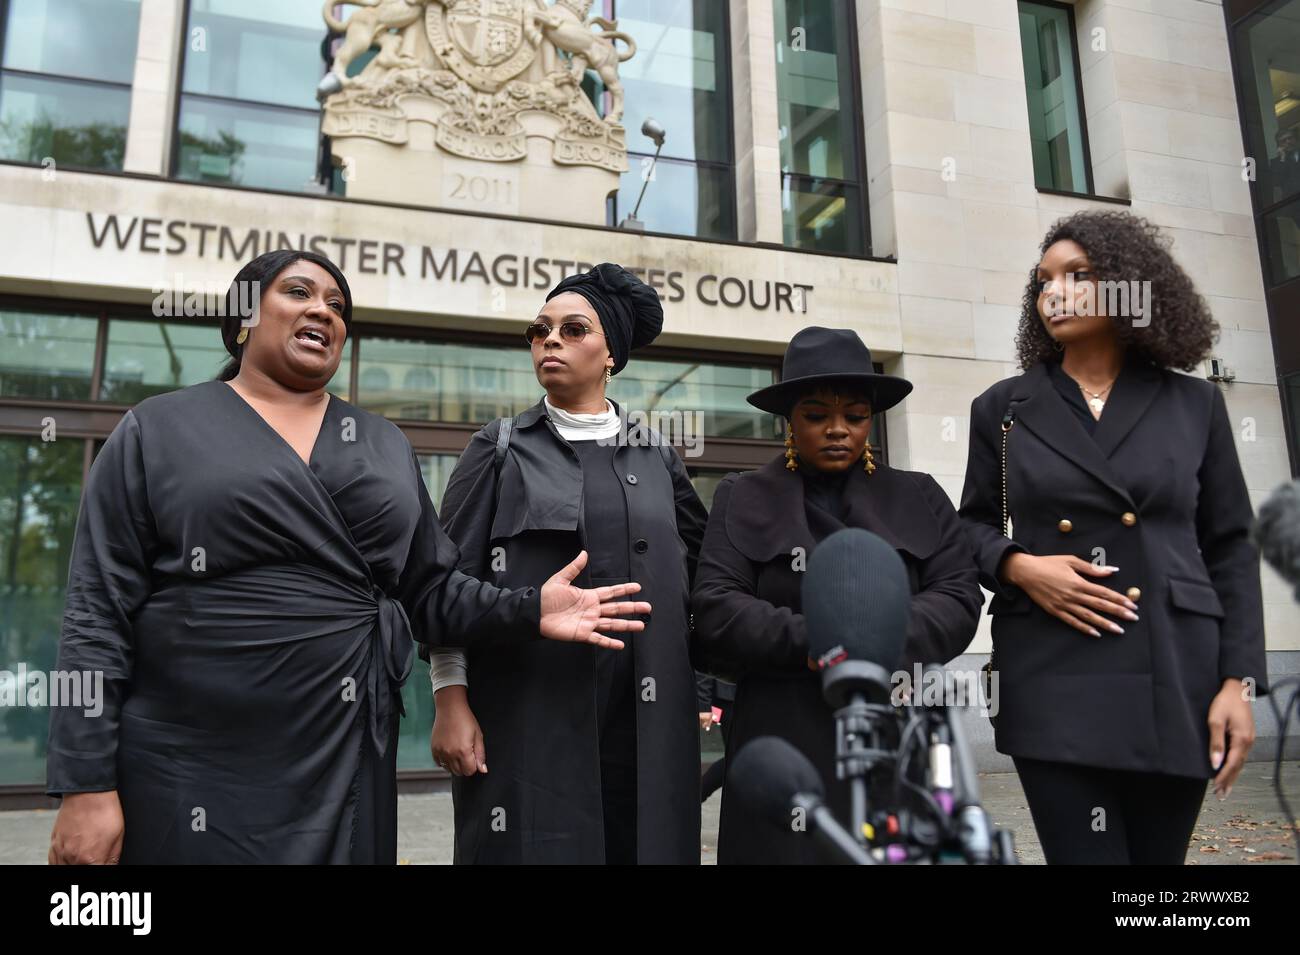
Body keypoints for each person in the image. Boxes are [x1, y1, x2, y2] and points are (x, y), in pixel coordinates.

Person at [45, 250, 650, 865]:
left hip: (344, 748)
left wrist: (529, 609)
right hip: (187, 755)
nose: (322, 310)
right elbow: (96, 611)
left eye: (337, 305)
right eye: (300, 292)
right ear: (243, 317)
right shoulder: (158, 428)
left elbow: (432, 591)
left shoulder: (382, 443)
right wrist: (86, 783)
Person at [959, 210, 1268, 864]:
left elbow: (1232, 546)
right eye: (1043, 280)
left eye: (1079, 275)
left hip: (1177, 675)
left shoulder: (1195, 405)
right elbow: (971, 527)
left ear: (1130, 285)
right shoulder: (1003, 408)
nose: (1055, 292)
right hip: (1051, 679)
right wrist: (1018, 565)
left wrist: (1238, 682)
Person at [428, 263, 708, 864]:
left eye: (572, 329)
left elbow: (703, 581)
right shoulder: (498, 448)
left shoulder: (659, 455)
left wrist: (708, 686)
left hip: (649, 728)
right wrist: (450, 699)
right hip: (529, 718)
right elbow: (441, 586)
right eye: (540, 329)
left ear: (612, 355)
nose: (549, 340)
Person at [691, 326, 982, 865]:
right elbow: (716, 606)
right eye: (817, 415)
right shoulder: (742, 494)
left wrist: (876, 640)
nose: (838, 430)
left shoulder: (918, 494)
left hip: (896, 728)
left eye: (854, 415)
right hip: (781, 735)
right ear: (789, 419)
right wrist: (818, 641)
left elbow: (959, 596)